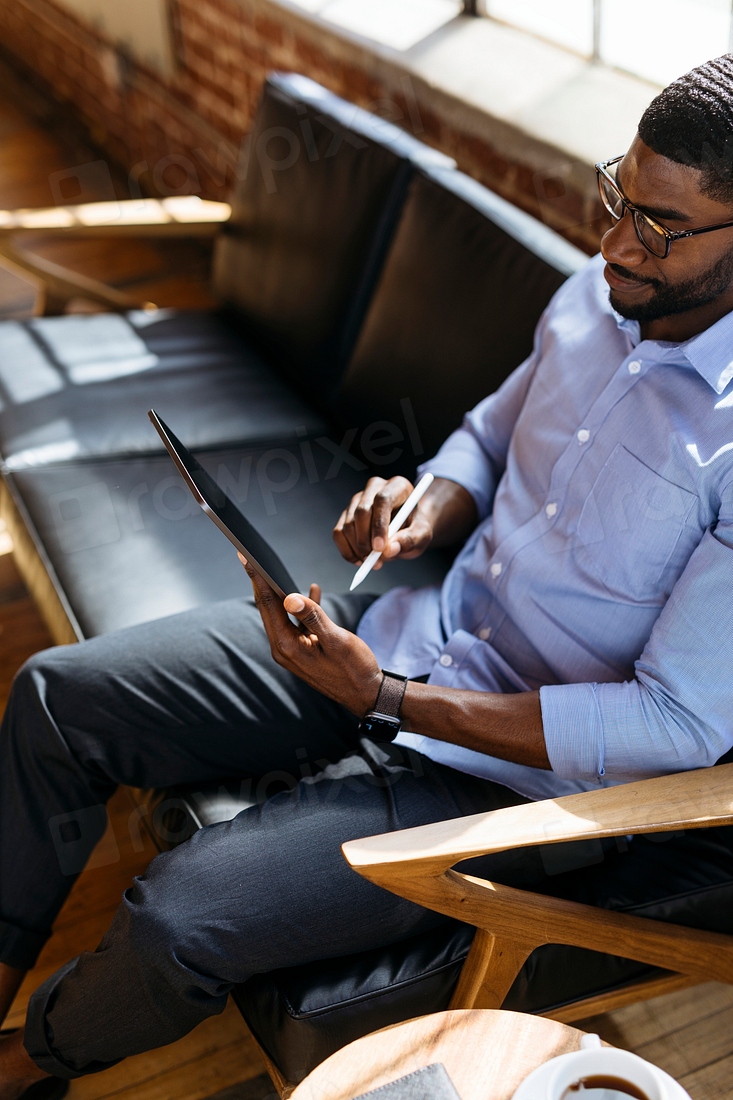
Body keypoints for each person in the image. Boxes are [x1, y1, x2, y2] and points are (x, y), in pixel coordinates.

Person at [2, 54, 733, 1100]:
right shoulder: (598, 291)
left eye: (661, 226)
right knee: (56, 695)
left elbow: (676, 728)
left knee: (175, 920)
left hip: (507, 781)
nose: (618, 239)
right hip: (410, 627)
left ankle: (27, 1061)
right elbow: (486, 435)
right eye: (618, 195)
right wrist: (418, 503)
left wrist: (389, 702)